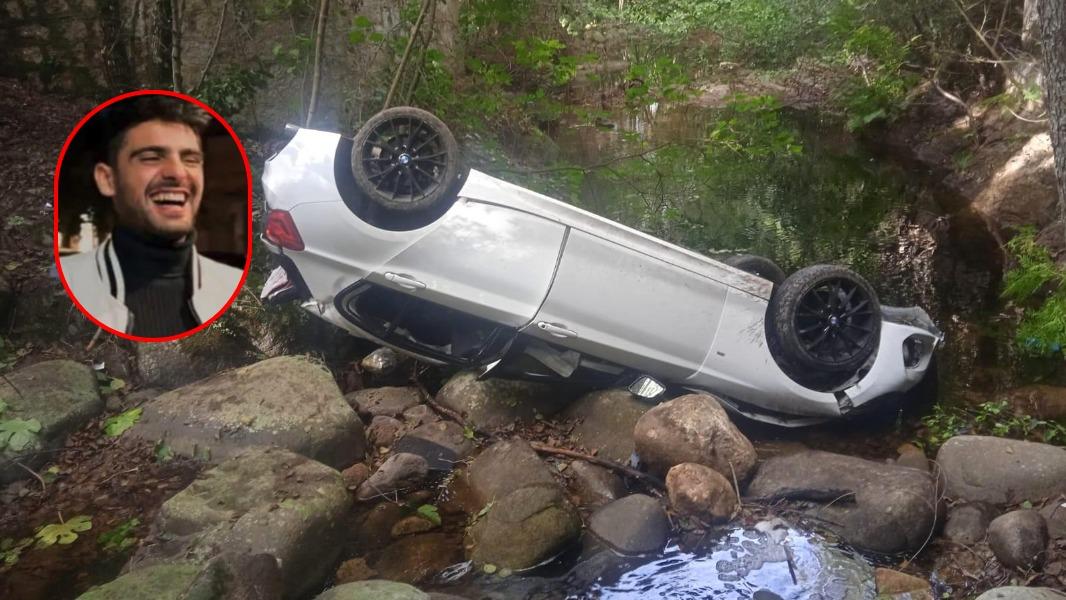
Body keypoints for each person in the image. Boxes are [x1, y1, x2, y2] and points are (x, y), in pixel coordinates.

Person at [59, 95, 243, 338]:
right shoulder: (78, 285)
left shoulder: (225, 281)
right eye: (151, 158)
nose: (178, 173)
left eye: (190, 160)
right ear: (108, 179)